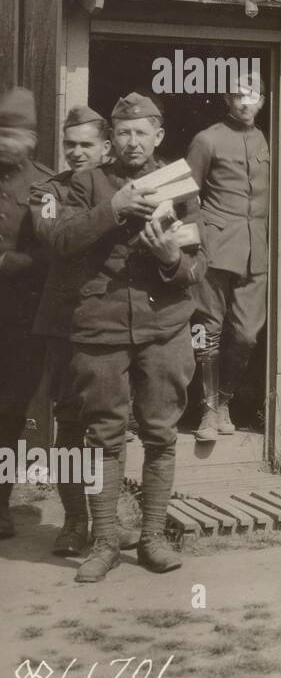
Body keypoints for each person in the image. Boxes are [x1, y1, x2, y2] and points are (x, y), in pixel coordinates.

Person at [49, 92, 206, 582]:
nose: (132, 141)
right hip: (101, 327)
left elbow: (197, 267)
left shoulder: (178, 183)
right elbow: (59, 239)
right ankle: (103, 542)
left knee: (161, 434)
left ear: (158, 136)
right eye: (123, 132)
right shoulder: (85, 182)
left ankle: (154, 538)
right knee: (102, 438)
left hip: (164, 326)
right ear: (110, 139)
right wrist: (112, 208)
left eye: (142, 132)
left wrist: (170, 260)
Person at [28, 106, 113, 554]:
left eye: (87, 144)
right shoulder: (46, 190)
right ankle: (74, 522)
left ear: (107, 147)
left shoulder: (125, 186)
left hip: (118, 321)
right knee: (70, 422)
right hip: (66, 322)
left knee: (111, 422)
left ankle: (107, 524)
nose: (77, 152)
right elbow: (54, 234)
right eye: (70, 144)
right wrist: (113, 211)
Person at [187, 86, 270, 440]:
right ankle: (208, 412)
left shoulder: (267, 139)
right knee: (208, 329)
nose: (245, 102)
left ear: (263, 101)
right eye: (238, 95)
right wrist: (198, 240)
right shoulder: (207, 140)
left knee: (247, 335)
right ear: (226, 99)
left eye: (253, 96)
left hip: (257, 252)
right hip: (216, 249)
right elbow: (186, 195)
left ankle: (224, 400)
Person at [0, 88, 53, 539]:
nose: (2, 141)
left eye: (12, 134)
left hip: (16, 322)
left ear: (32, 140)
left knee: (10, 413)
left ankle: (1, 505)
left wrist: (11, 263)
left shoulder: (46, 187)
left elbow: (56, 251)